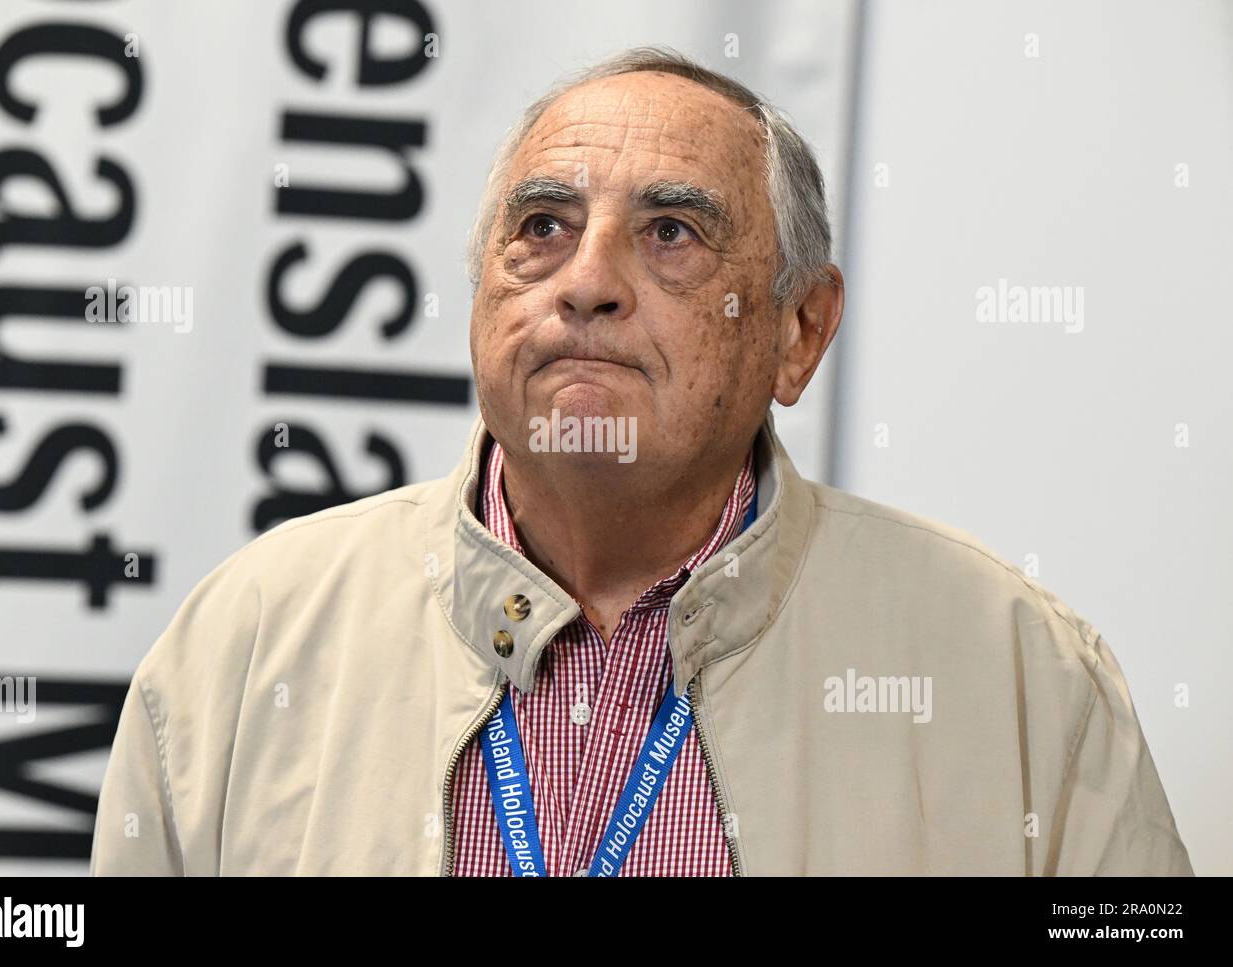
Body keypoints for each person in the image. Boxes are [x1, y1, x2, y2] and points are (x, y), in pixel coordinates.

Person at [91, 46, 1192, 876]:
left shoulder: (1017, 675)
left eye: (671, 232)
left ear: (798, 331)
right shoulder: (248, 641)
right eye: (542, 225)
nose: (586, 281)